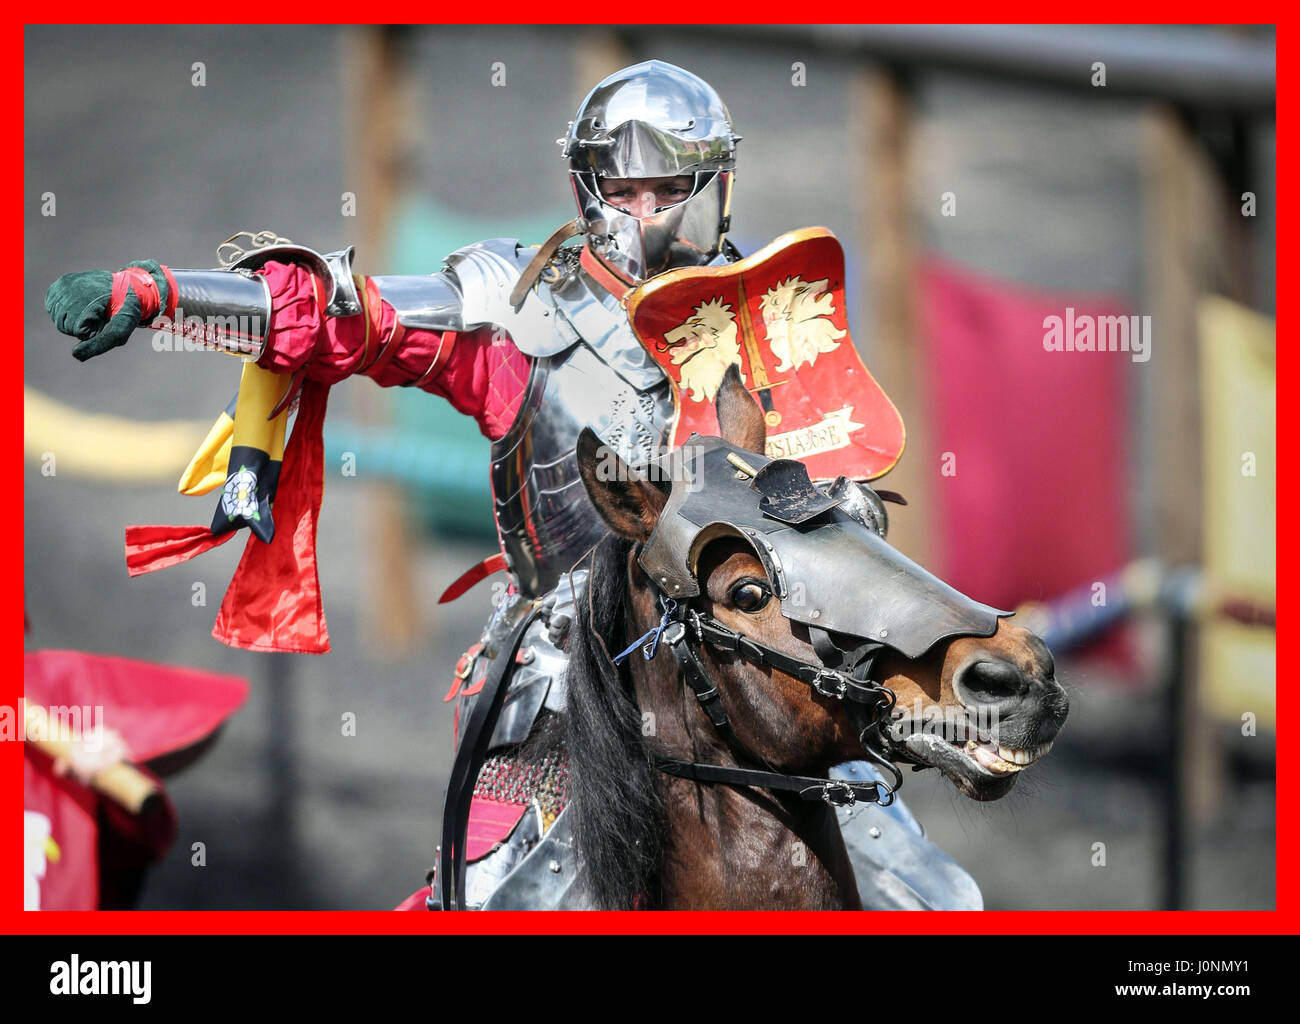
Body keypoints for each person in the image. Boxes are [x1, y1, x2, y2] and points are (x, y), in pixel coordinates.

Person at [43, 59, 980, 911]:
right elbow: (343, 321)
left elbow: (830, 497)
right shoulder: (519, 307)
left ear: (714, 185)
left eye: (669, 186)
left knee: (928, 890)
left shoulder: (767, 314)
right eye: (624, 186)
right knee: (496, 895)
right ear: (588, 185)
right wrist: (164, 293)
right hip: (569, 675)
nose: (646, 208)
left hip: (748, 664)